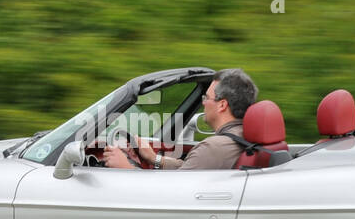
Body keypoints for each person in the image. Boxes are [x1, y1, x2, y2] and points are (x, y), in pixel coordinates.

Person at [104, 68, 257, 170]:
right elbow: (191, 168)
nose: (203, 102)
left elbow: (173, 192)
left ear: (222, 105)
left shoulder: (213, 148)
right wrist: (153, 158)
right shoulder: (245, 139)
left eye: (207, 97)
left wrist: (125, 168)